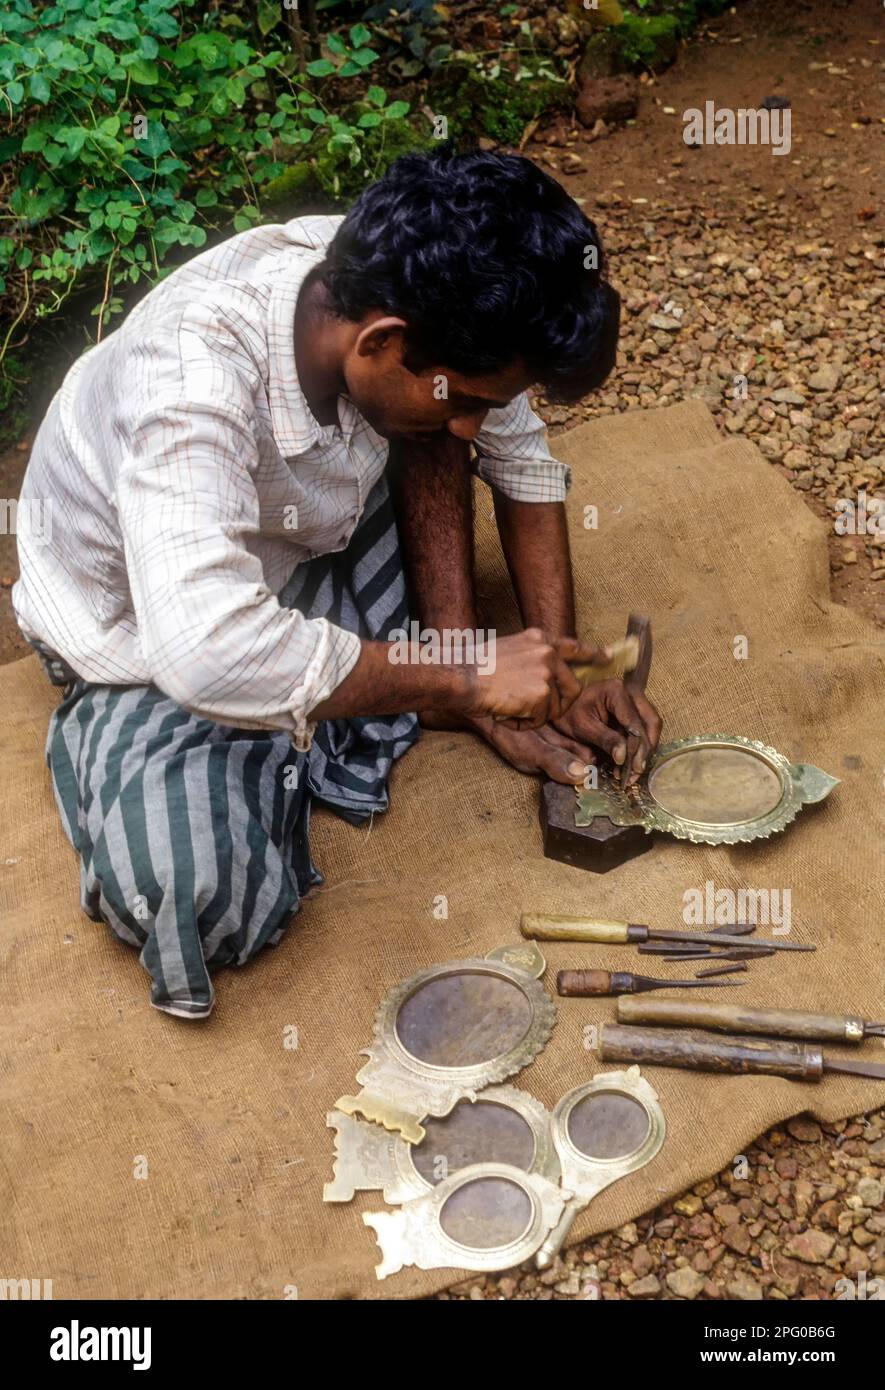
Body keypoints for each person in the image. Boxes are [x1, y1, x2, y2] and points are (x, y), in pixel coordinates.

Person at [13, 147, 661, 1018]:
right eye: (466, 395)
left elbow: (513, 451)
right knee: (206, 902)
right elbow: (204, 651)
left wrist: (560, 674)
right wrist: (469, 675)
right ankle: (349, 695)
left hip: (301, 543)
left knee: (429, 432)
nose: (478, 419)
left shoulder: (393, 287)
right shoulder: (188, 382)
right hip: (148, 626)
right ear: (379, 343)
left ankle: (411, 674)